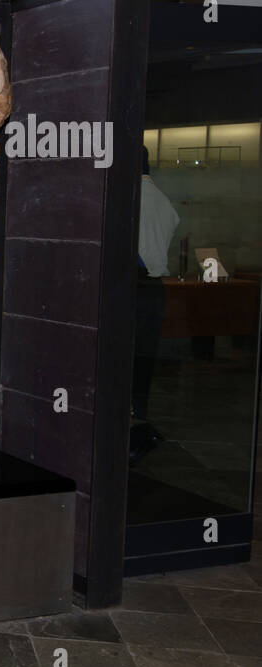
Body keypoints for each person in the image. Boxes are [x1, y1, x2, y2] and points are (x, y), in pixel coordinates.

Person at [131, 146, 179, 463]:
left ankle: (130, 434)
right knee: (143, 363)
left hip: (132, 285)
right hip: (154, 289)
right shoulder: (162, 199)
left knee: (121, 362)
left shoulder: (129, 198)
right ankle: (140, 422)